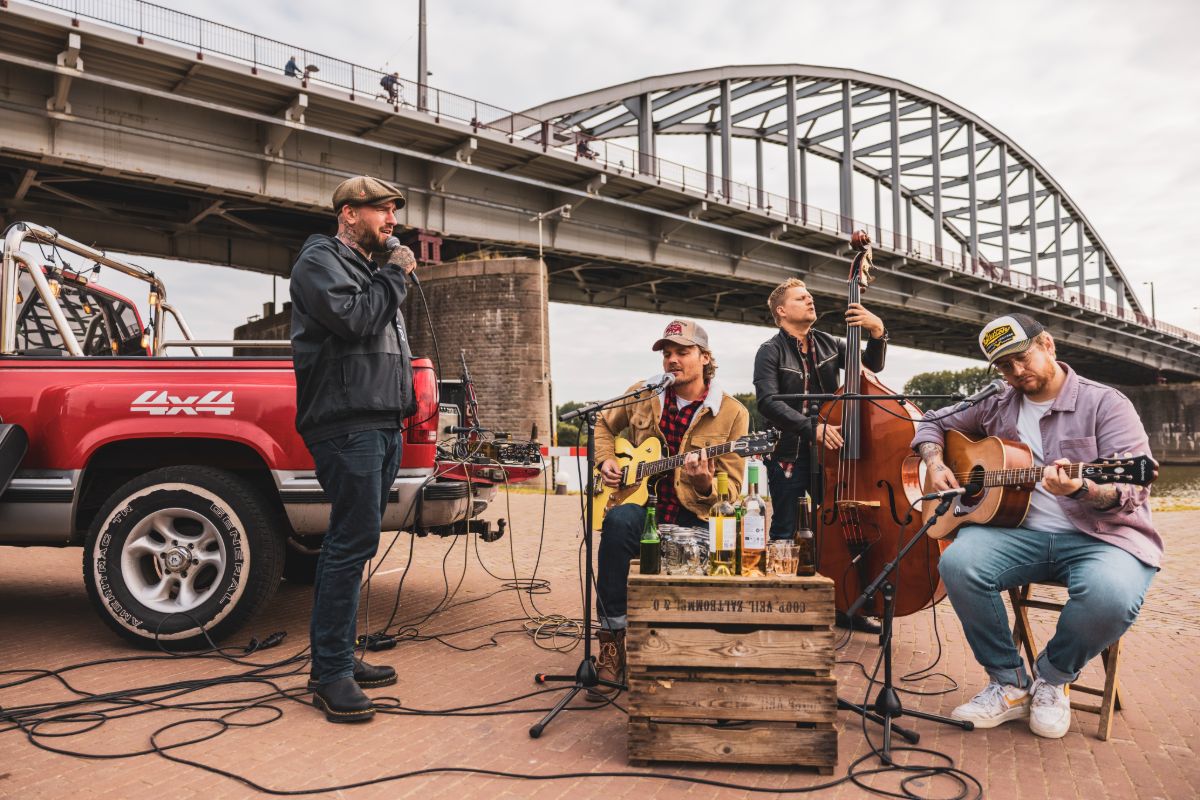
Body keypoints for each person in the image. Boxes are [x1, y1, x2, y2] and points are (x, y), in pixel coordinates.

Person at [913, 313, 1160, 739]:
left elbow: (1131, 491)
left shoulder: (1106, 403)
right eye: (1004, 367)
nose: (1016, 373)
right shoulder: (996, 402)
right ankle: (1008, 683)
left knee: (1111, 594)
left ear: (1048, 344)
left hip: (1100, 537)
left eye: (1021, 358)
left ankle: (1052, 678)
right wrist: (935, 463)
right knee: (958, 563)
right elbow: (931, 421)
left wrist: (1081, 490)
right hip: (1018, 533)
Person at [289, 175, 418, 723]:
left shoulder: (366, 271)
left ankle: (339, 658)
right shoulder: (320, 263)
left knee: (358, 541)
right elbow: (357, 320)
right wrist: (394, 273)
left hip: (379, 423)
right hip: (347, 425)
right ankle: (330, 674)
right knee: (349, 542)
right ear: (348, 214)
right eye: (382, 210)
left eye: (393, 212)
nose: (392, 221)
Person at [590, 319, 749, 698]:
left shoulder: (731, 413)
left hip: (696, 518)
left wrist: (704, 483)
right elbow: (601, 423)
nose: (672, 360)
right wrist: (605, 461)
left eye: (682, 352)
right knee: (616, 524)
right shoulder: (643, 394)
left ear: (705, 358)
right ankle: (611, 644)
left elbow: (734, 495)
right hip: (642, 508)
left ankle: (699, 654)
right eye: (667, 354)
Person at [752, 277, 888, 633]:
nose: (810, 300)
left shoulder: (830, 343)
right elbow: (767, 401)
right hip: (791, 451)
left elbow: (869, 372)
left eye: (810, 296)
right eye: (800, 297)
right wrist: (810, 426)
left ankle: (847, 607)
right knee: (785, 528)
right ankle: (780, 605)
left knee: (842, 530)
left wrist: (877, 333)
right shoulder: (770, 351)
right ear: (782, 311)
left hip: (833, 454)